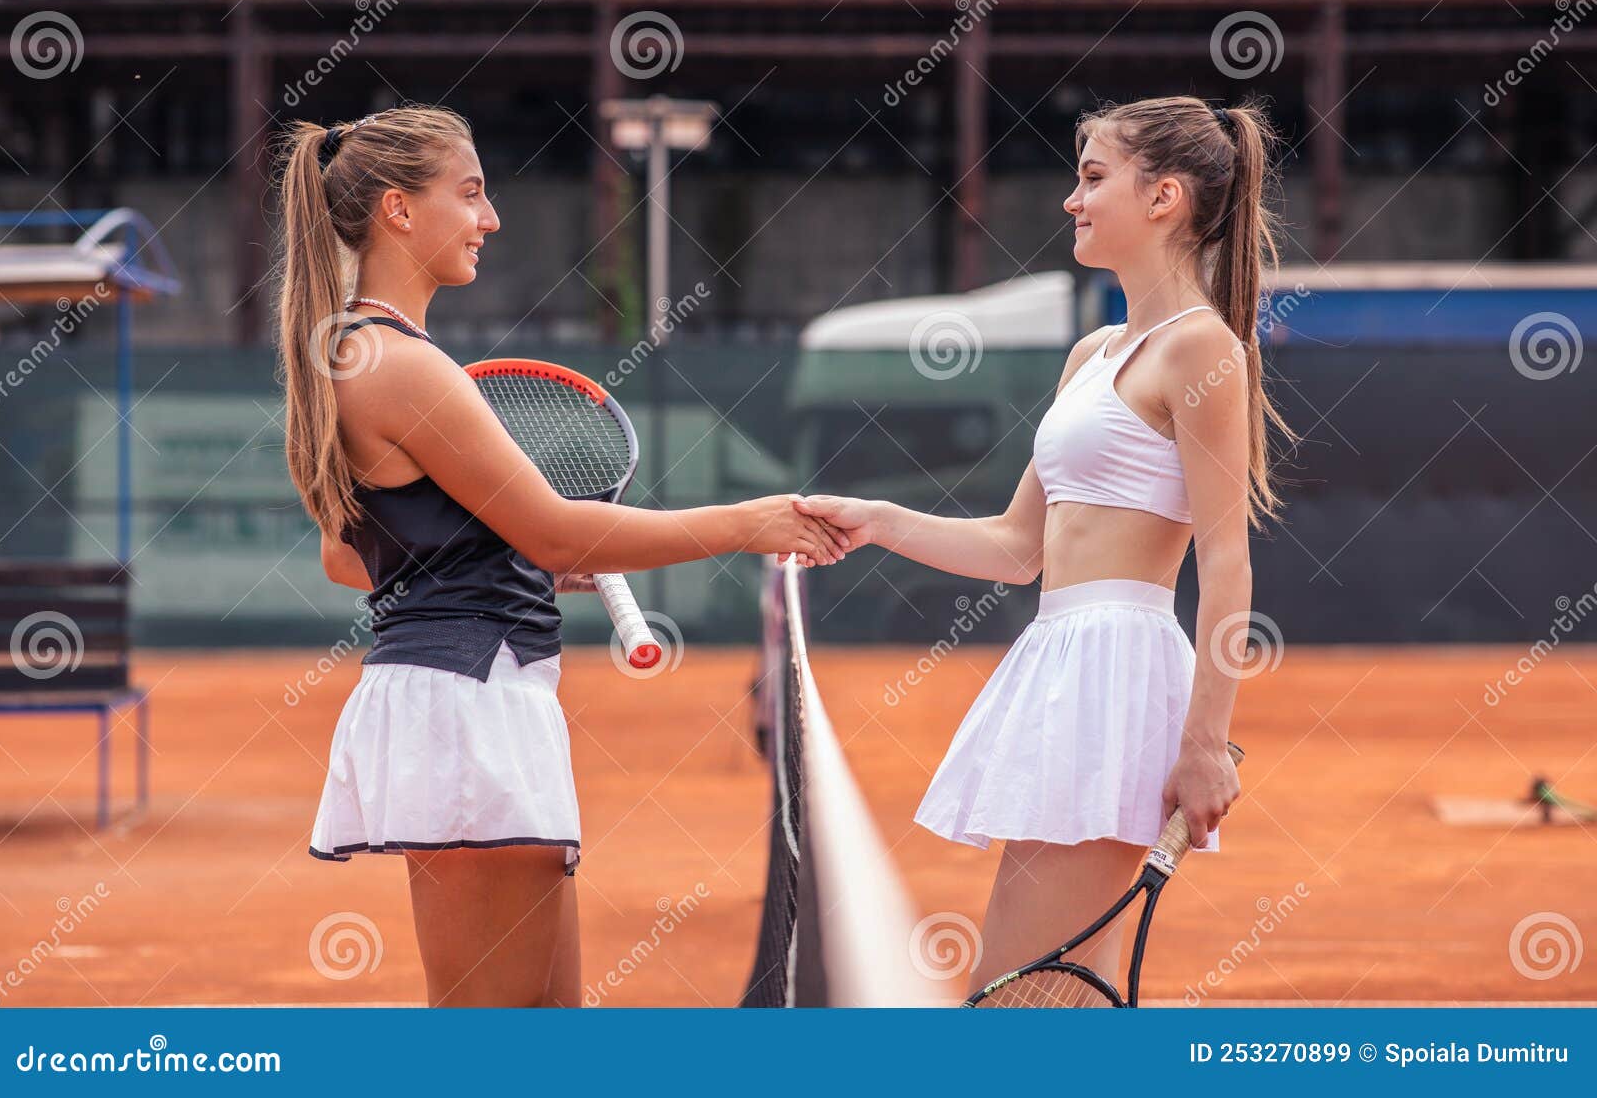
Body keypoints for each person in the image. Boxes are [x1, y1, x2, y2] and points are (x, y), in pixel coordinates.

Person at [275, 104, 847, 1007]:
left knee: (550, 1026)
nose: (491, 219)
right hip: (468, 701)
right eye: (469, 195)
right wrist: (750, 520)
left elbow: (353, 559)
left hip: (477, 693)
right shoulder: (400, 365)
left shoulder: (363, 354)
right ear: (397, 210)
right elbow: (556, 528)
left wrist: (518, 563)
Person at [797, 96, 1294, 997]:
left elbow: (1227, 560)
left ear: (1164, 198)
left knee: (1018, 995)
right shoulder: (1094, 353)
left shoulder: (1201, 351)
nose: (1072, 199)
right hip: (1060, 667)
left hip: (1119, 677)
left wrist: (1207, 742)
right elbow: (1017, 546)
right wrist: (876, 518)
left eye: (1093, 177)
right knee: (1045, 998)